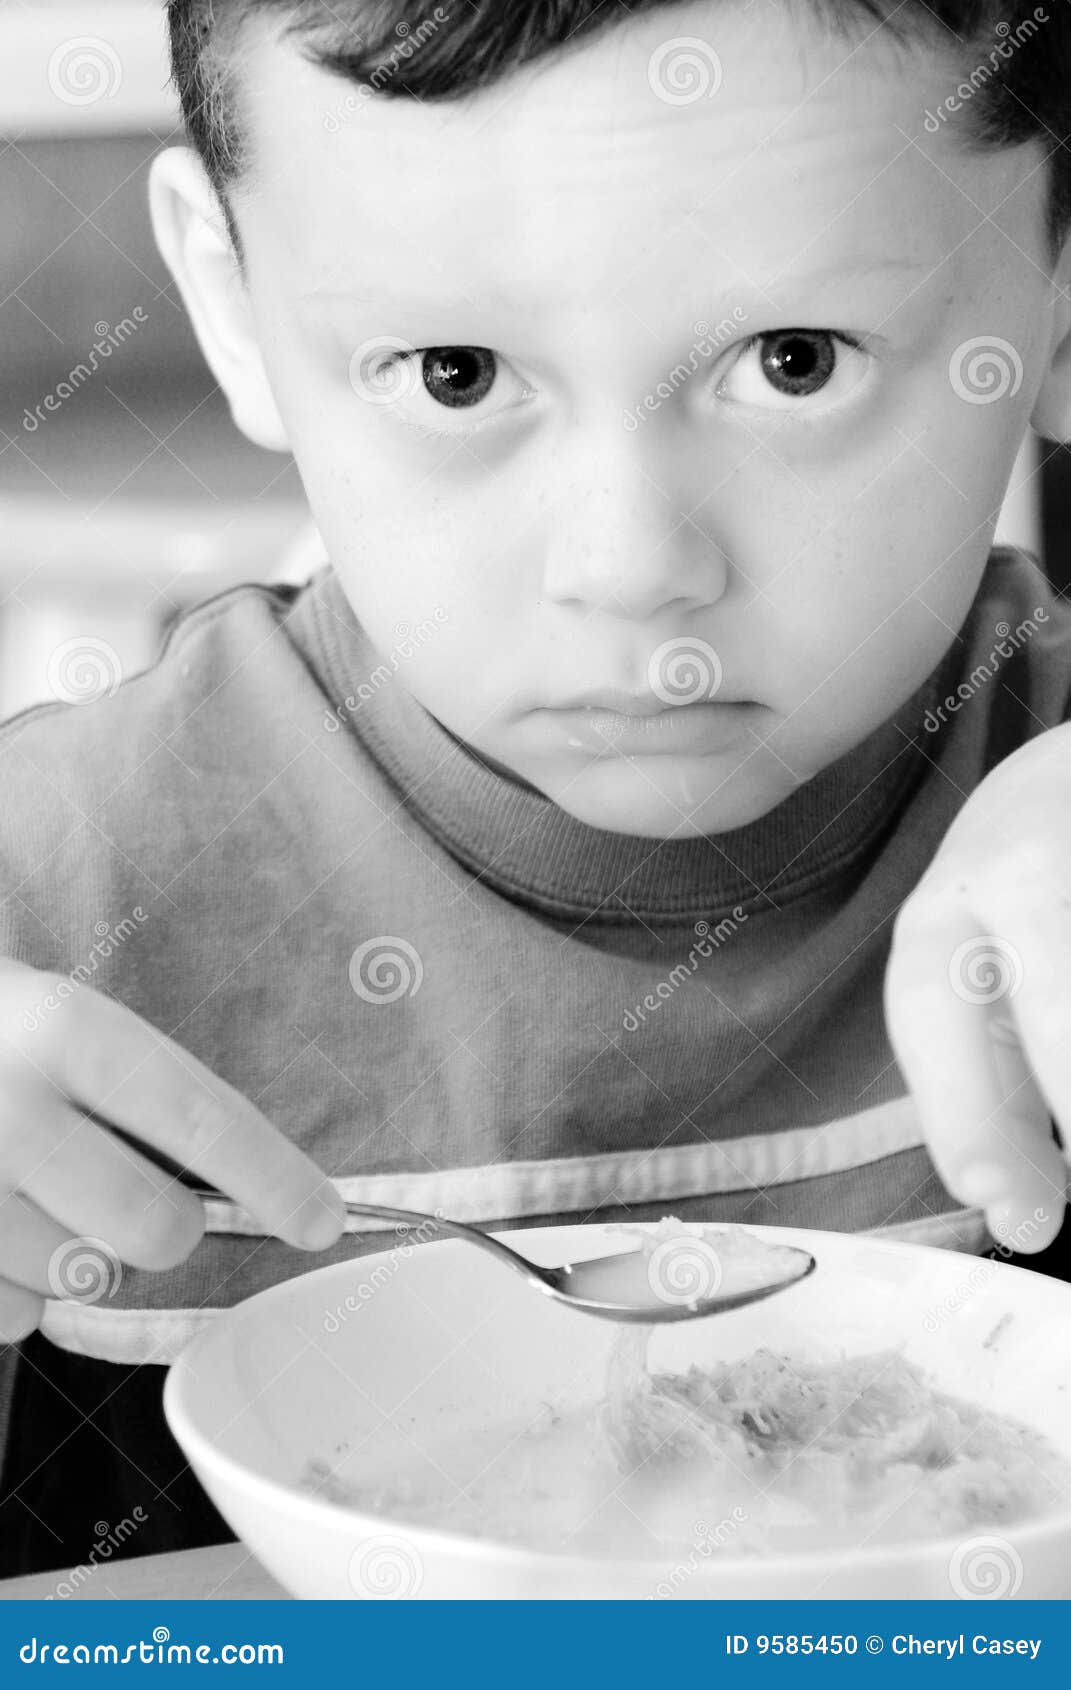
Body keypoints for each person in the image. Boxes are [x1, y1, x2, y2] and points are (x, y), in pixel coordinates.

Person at [1, 0, 1070, 1576]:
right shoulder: (48, 915)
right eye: (452, 371)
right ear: (233, 306)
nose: (631, 568)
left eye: (795, 362)